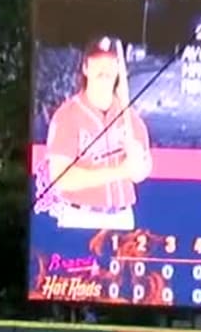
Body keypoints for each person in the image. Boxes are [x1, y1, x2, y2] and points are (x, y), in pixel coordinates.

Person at [43, 36, 153, 231]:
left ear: (119, 69)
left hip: (122, 218)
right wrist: (120, 171)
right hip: (80, 218)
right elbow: (61, 178)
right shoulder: (67, 116)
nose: (104, 68)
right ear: (85, 68)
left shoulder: (131, 117)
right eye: (97, 61)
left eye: (111, 62)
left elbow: (141, 172)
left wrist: (138, 162)